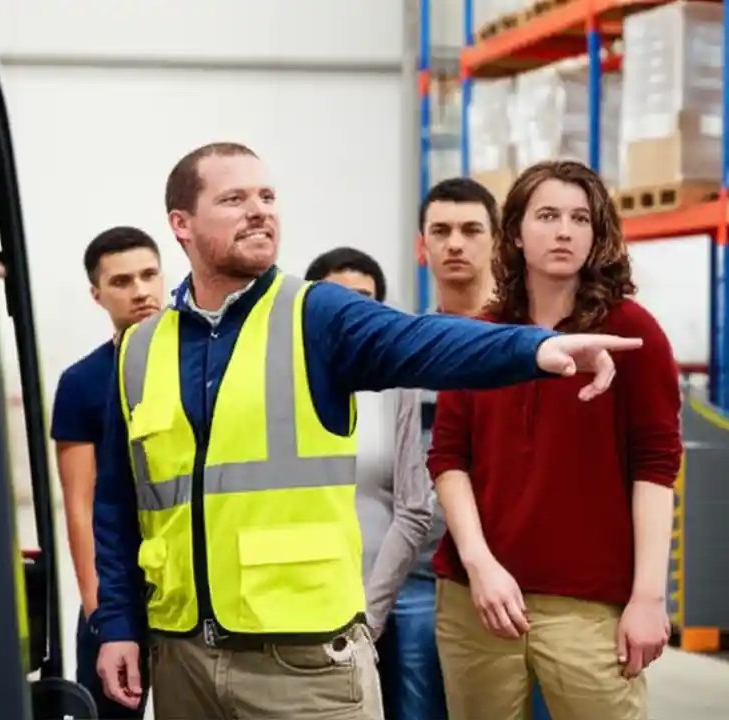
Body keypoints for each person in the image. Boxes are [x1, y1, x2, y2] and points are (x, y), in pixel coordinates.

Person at [92, 141, 645, 720]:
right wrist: (119, 624)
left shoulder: (316, 315)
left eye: (267, 196)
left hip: (302, 665)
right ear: (181, 224)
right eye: (234, 199)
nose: (259, 210)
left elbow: (424, 341)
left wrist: (536, 346)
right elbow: (117, 504)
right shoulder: (139, 351)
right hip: (181, 660)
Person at [428, 159, 681, 720]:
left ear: (597, 237)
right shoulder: (482, 337)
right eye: (547, 215)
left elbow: (656, 467)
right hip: (480, 602)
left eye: (579, 218)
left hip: (590, 607)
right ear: (515, 232)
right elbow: (448, 458)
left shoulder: (633, 335)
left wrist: (648, 597)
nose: (564, 230)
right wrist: (479, 564)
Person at [304, 247, 433, 720]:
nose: (354, 312)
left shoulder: (398, 385)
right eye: (340, 299)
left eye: (366, 299)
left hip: (385, 597)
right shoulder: (287, 384)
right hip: (306, 604)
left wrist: (370, 611)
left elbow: (414, 506)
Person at [51, 226, 165, 718]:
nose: (140, 290)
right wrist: (100, 611)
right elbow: (80, 503)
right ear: (97, 294)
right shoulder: (82, 382)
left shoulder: (198, 365)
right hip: (116, 588)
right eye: (121, 281)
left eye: (148, 275)